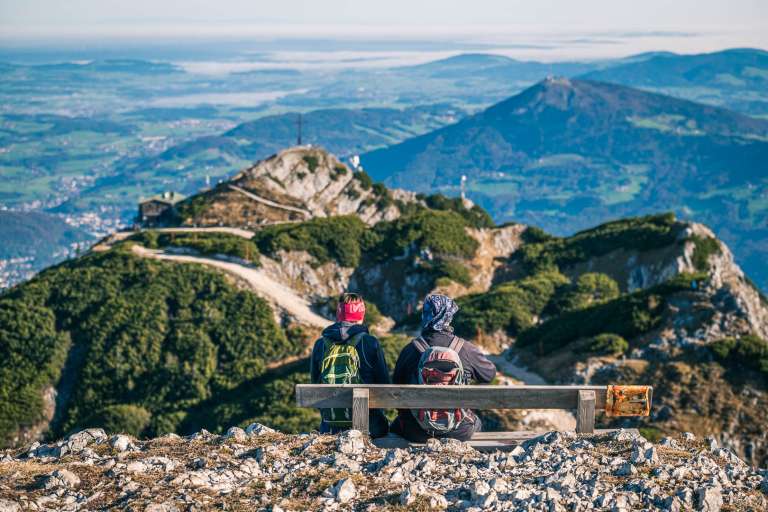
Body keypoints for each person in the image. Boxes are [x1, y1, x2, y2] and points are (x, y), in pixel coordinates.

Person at [391, 294, 496, 442]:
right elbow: (489, 375)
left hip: (416, 431)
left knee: (396, 425)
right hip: (459, 431)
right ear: (449, 316)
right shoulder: (465, 348)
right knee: (476, 422)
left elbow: (396, 385)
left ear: (425, 316)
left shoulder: (410, 350)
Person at [310, 292, 390, 437]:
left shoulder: (320, 344)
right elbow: (384, 385)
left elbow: (315, 383)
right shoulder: (370, 343)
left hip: (330, 426)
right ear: (361, 314)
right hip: (370, 427)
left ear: (339, 314)